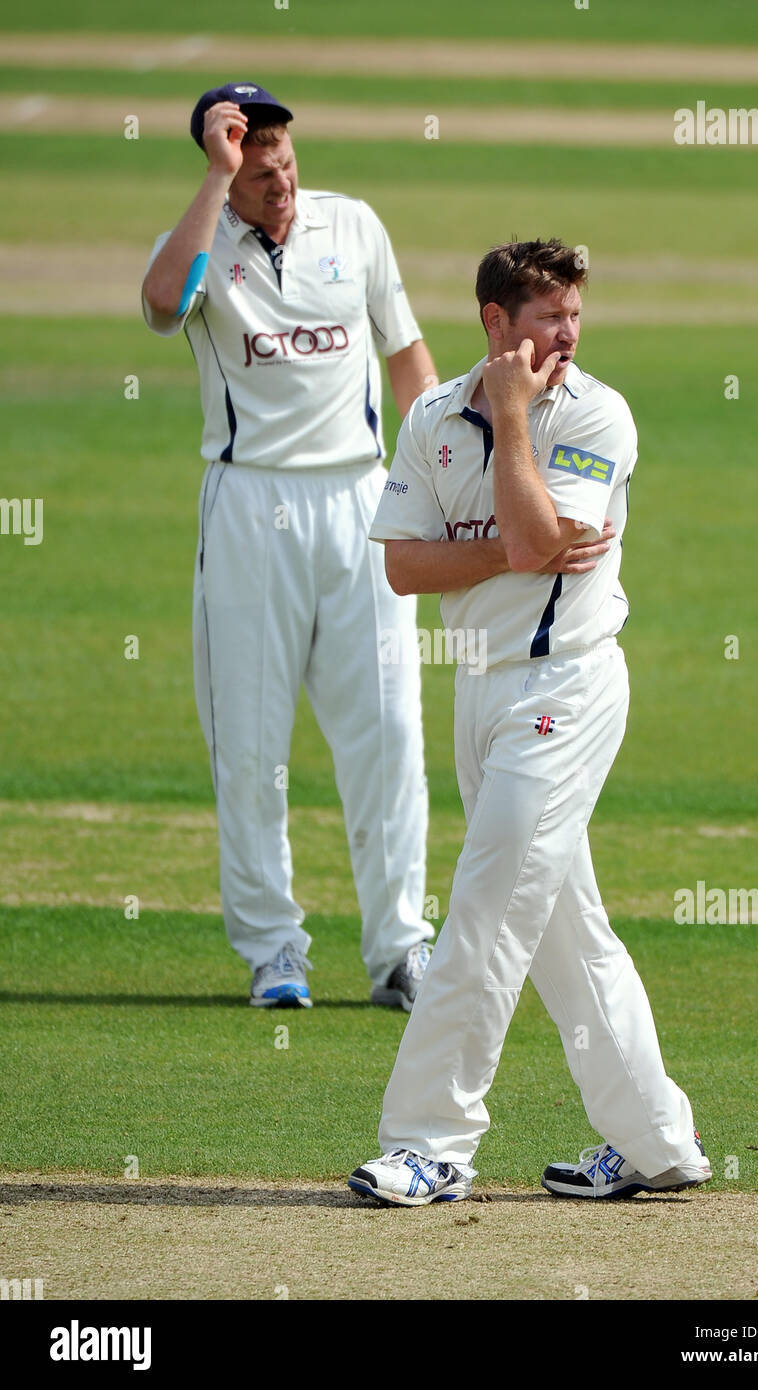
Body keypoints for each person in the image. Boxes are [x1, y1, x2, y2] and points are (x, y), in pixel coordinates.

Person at [349, 239, 711, 1203]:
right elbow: (404, 566)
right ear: (494, 323)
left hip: (567, 690)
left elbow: (548, 538)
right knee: (561, 929)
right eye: (548, 316)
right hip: (477, 687)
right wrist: (509, 545)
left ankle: (431, 1142)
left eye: (575, 315)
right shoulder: (430, 415)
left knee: (480, 916)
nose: (568, 334)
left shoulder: (595, 411)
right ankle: (658, 1142)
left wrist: (512, 421)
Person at [141, 83, 435, 1011]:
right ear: (226, 167)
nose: (281, 184)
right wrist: (214, 184)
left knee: (388, 732)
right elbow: (157, 307)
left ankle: (399, 950)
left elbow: (407, 355)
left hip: (360, 496)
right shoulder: (199, 245)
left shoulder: (354, 229)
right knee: (251, 740)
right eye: (258, 169)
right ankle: (275, 949)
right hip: (248, 500)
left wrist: (434, 478)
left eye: (286, 163)